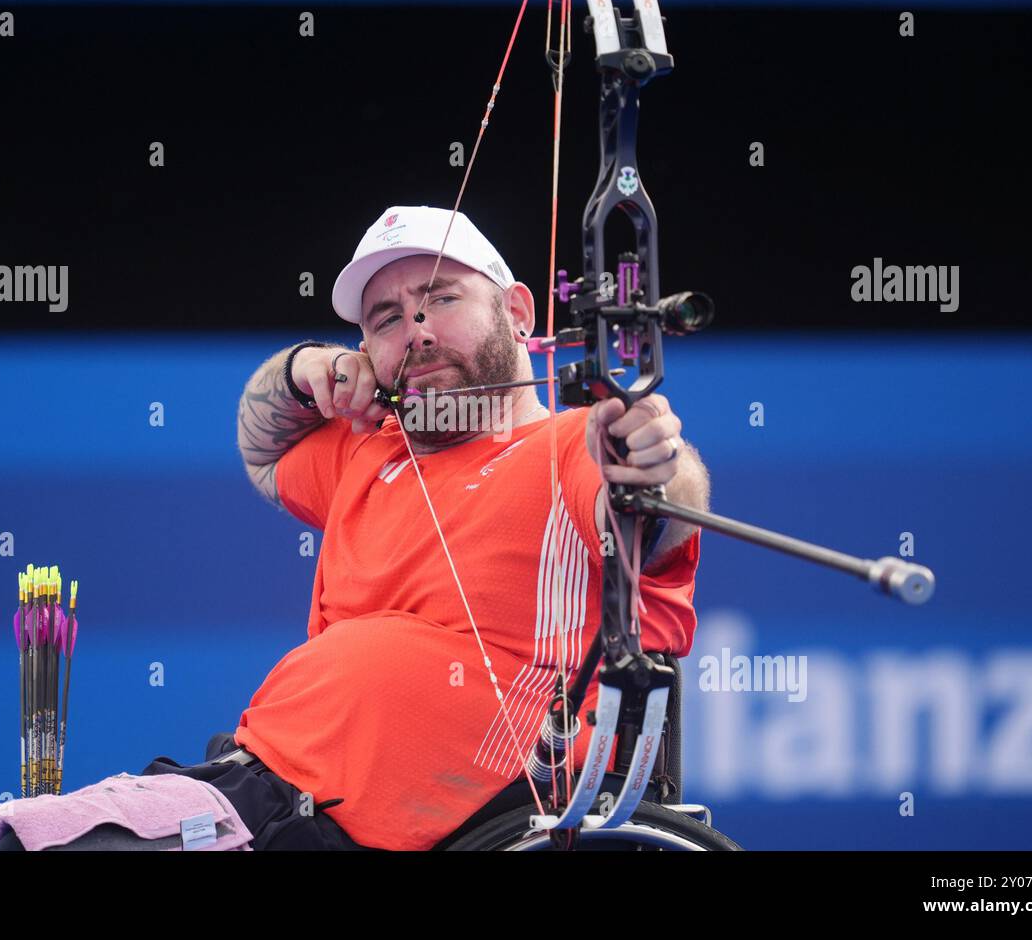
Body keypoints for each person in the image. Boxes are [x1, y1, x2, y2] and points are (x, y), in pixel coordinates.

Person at [232, 205, 711, 850]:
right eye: (387, 319)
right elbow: (260, 453)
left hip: (472, 822)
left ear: (517, 312)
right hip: (277, 796)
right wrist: (298, 369)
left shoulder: (570, 443)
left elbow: (655, 510)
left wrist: (650, 460)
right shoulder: (367, 448)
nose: (417, 330)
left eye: (441, 298)